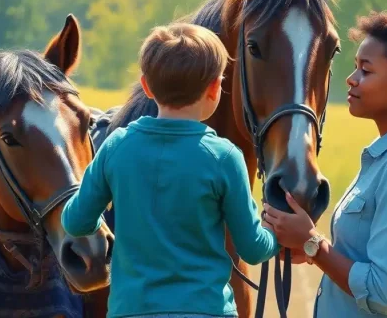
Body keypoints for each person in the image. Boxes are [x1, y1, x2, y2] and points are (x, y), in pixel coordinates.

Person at [60, 23, 279, 318]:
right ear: (215, 88)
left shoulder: (116, 147)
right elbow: (253, 248)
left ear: (146, 86)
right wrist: (277, 235)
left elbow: (74, 222)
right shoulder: (224, 157)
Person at [262, 5, 387, 317]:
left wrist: (313, 242)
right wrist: (314, 251)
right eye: (356, 67)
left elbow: (383, 293)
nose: (351, 80)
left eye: (366, 71)